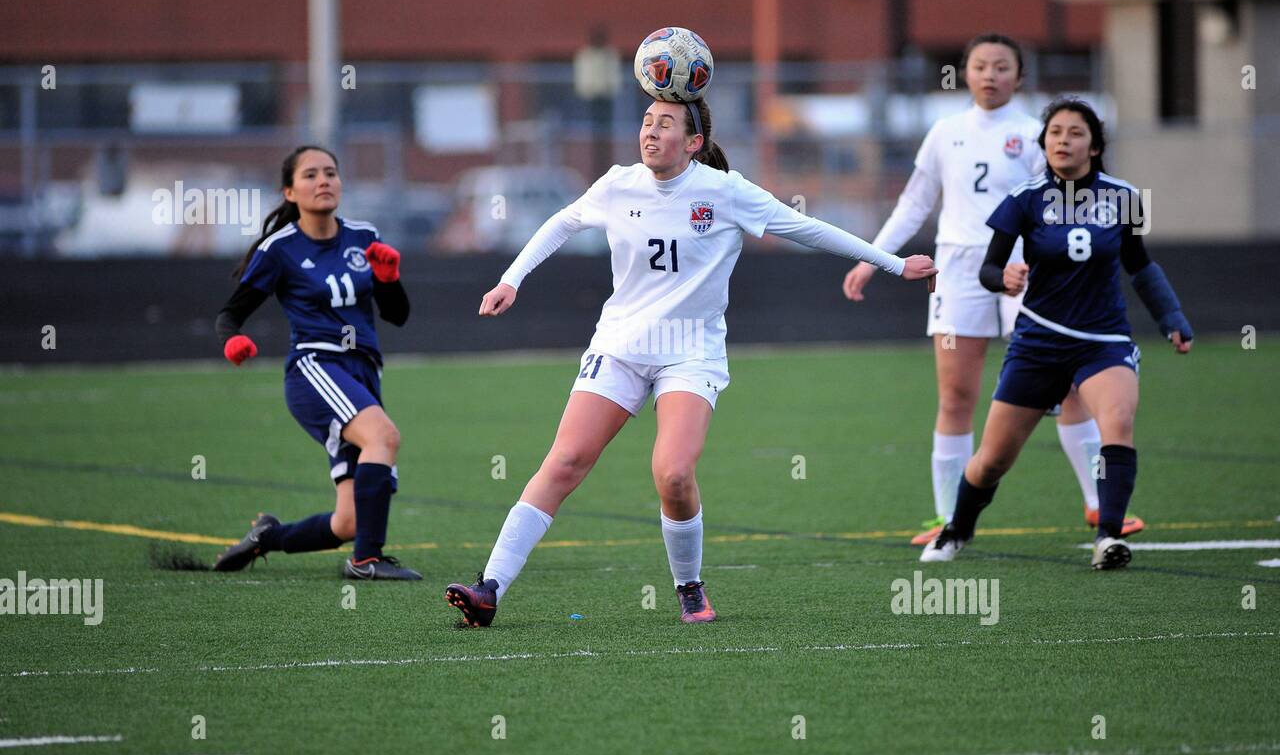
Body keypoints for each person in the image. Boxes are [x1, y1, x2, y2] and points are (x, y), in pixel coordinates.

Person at [445, 97, 937, 627]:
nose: (650, 133)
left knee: (674, 473)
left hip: (690, 352)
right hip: (619, 346)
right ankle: (489, 588)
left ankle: (688, 586)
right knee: (563, 463)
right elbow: (560, 224)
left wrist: (891, 263)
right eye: (646, 122)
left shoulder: (725, 192)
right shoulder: (617, 184)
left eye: (666, 125)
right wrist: (510, 280)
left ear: (695, 142)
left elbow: (807, 228)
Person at [842, 33, 1143, 545]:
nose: (990, 75)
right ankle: (945, 519)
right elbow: (915, 204)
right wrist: (877, 259)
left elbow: (1064, 199)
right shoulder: (945, 131)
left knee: (1068, 388)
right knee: (956, 394)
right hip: (959, 270)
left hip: (1024, 270)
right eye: (980, 65)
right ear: (965, 73)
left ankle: (1098, 506)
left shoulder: (1035, 135)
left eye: (1002, 67)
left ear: (1019, 78)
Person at [920, 97, 1193, 569]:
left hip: (1103, 340)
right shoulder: (1024, 198)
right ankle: (957, 529)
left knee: (1118, 425)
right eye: (1055, 133)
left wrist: (1171, 317)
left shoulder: (1122, 197)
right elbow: (988, 268)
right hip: (1038, 341)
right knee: (992, 459)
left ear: (1095, 145)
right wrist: (1002, 279)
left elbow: (1139, 265)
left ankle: (1108, 535)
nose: (1063, 141)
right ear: (1043, 143)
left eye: (1075, 133)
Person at [211, 145, 420, 581]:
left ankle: (267, 537)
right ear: (289, 191)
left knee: (349, 523)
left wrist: (389, 278)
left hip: (363, 371)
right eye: (310, 175)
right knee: (383, 437)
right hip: (315, 368)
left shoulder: (364, 236)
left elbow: (397, 315)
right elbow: (230, 313)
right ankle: (367, 562)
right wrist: (232, 341)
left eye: (330, 172)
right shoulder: (280, 249)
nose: (323, 181)